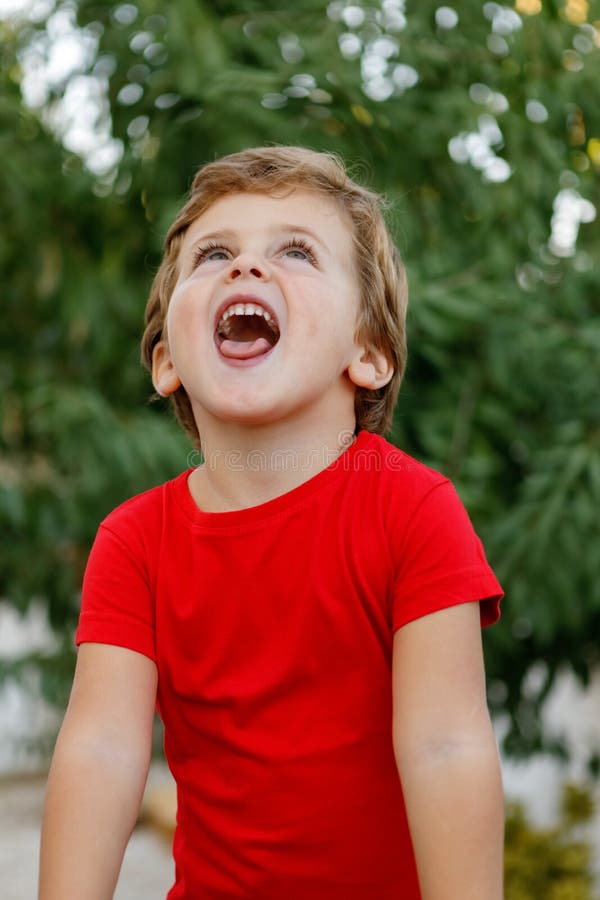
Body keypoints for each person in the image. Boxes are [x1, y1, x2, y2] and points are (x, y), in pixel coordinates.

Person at [39, 146, 505, 900]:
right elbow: (100, 753)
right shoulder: (134, 540)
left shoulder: (412, 509)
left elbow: (446, 748)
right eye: (214, 254)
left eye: (294, 250)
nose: (245, 268)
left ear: (369, 352)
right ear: (166, 363)